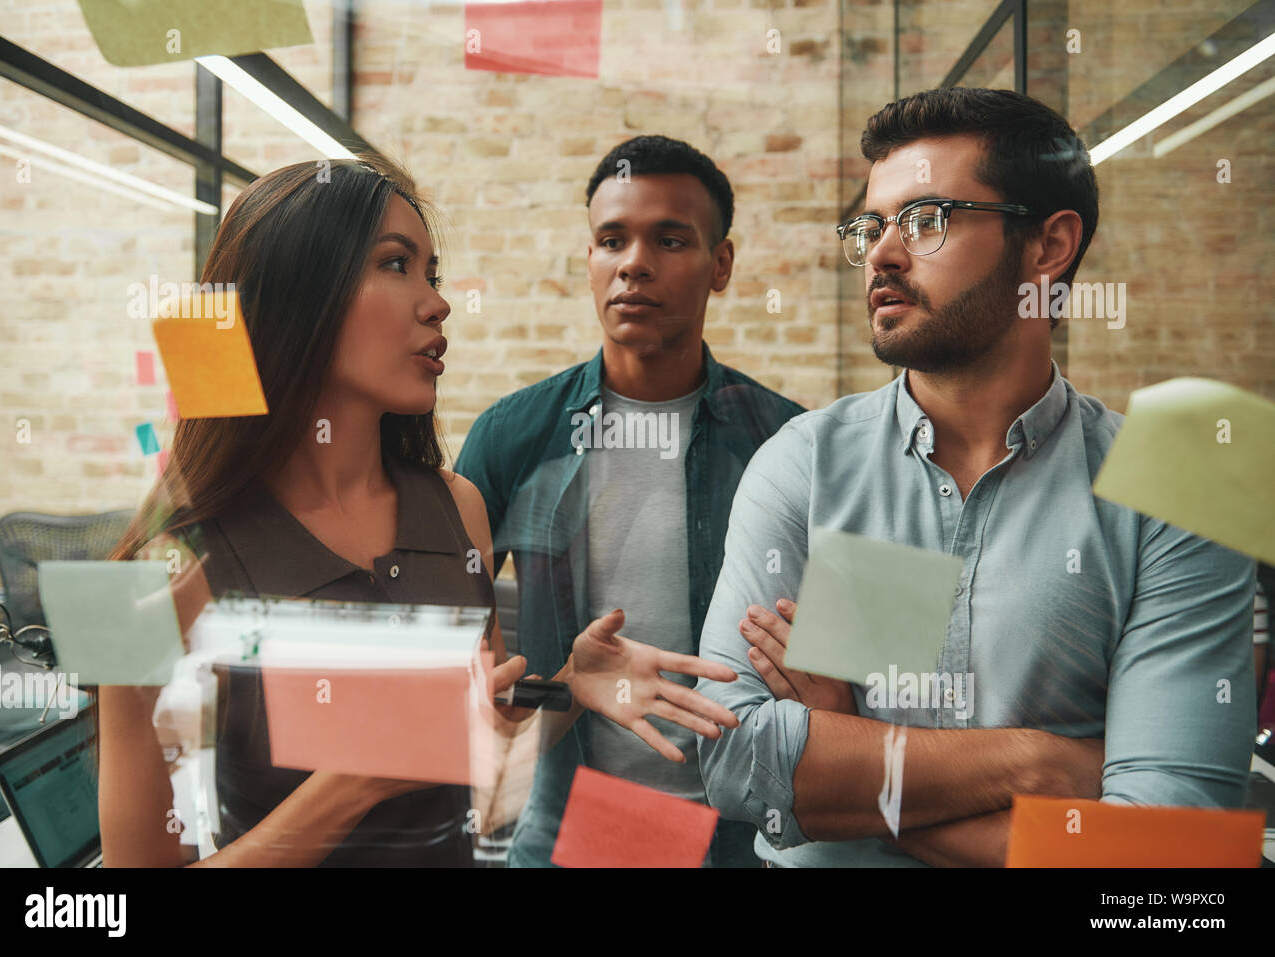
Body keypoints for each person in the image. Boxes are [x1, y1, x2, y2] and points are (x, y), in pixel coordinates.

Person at [697, 87, 1257, 866]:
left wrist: (851, 776)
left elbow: (1166, 856)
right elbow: (731, 759)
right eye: (872, 227)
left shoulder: (1169, 497)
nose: (884, 255)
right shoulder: (806, 465)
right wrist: (1041, 763)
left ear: (1049, 247)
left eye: (927, 220)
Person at [99, 154, 530, 866]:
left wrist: (570, 692)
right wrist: (348, 785)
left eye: (432, 273)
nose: (436, 301)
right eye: (396, 265)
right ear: (300, 295)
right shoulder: (159, 571)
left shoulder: (460, 509)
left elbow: (478, 756)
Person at [456, 135, 804, 867]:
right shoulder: (516, 436)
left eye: (669, 239)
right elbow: (465, 691)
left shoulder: (786, 441)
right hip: (570, 830)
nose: (633, 263)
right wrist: (559, 689)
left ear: (722, 265)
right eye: (610, 239)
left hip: (744, 835)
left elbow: (855, 679)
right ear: (589, 259)